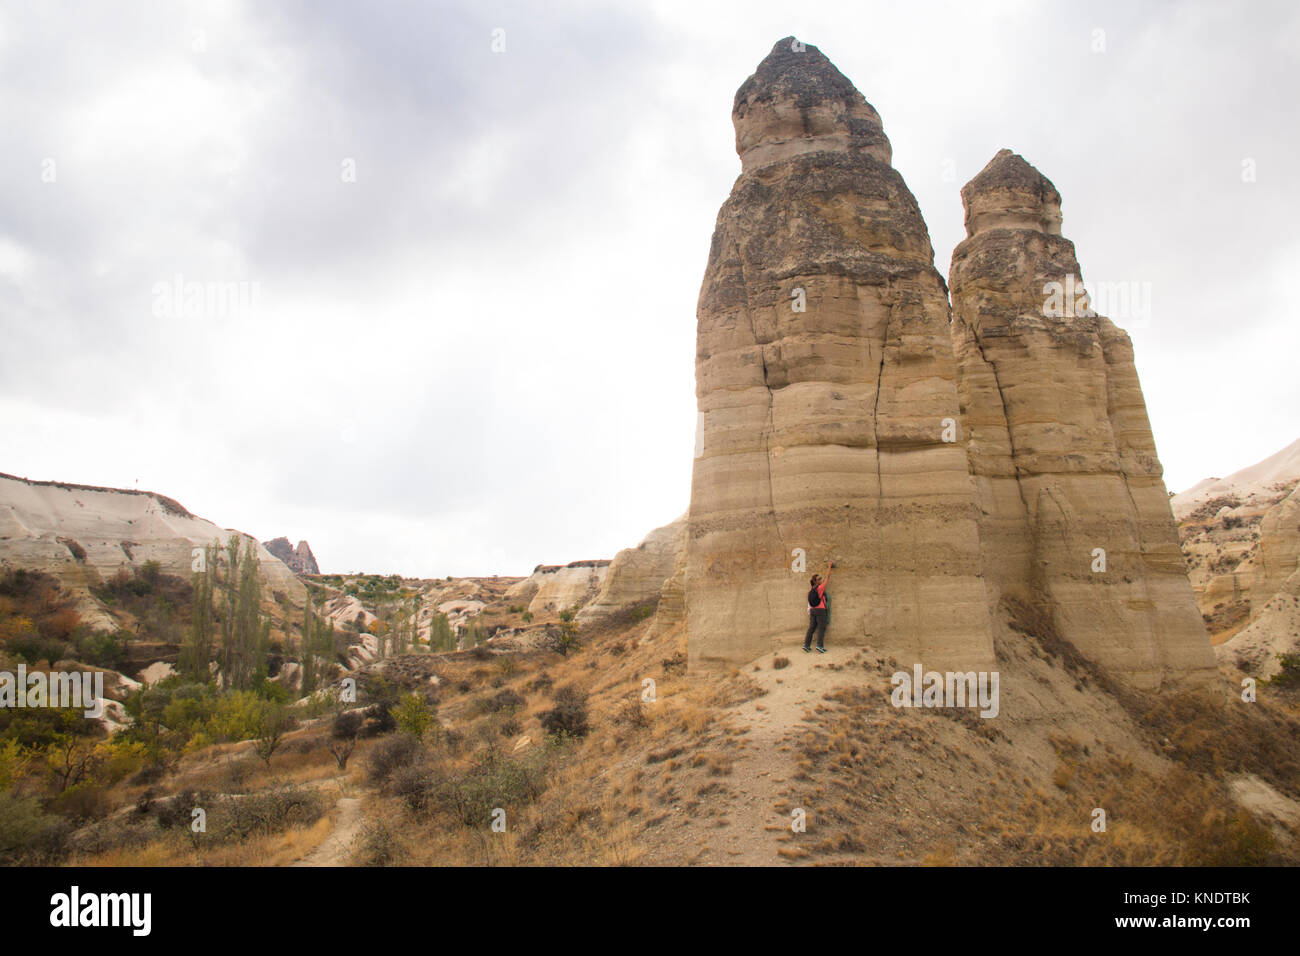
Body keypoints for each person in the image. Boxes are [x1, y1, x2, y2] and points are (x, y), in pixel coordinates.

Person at [804, 558, 833, 653]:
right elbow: (827, 577)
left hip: (813, 610)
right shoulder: (820, 588)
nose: (821, 580)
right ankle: (820, 646)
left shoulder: (810, 591)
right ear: (816, 582)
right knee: (821, 627)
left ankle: (806, 645)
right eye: (819, 579)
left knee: (811, 627)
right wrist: (829, 566)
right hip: (820, 610)